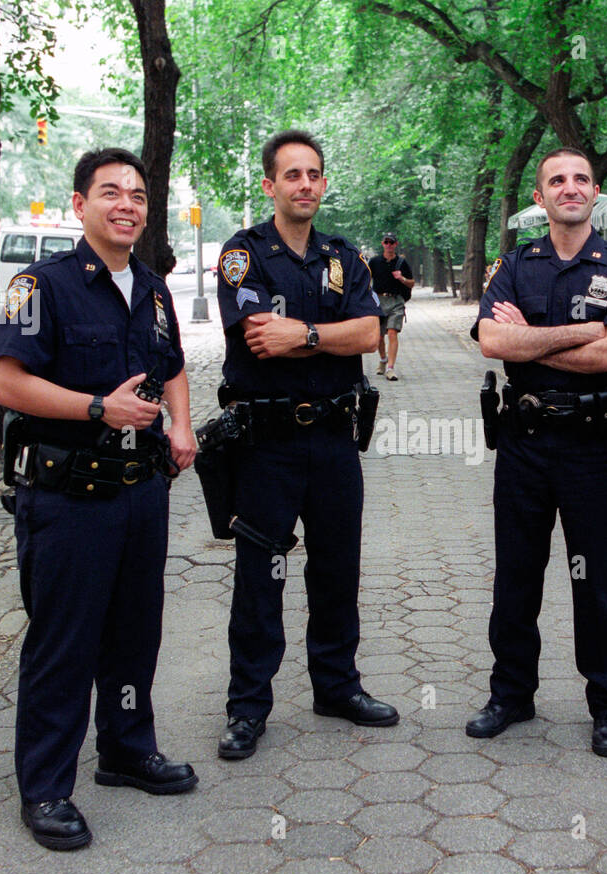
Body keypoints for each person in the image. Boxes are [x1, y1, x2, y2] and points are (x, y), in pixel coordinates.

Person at [0, 147, 200, 851]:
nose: (127, 205)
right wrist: (94, 409)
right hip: (67, 497)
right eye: (111, 192)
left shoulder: (153, 287)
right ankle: (46, 787)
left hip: (141, 492)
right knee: (64, 643)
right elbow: (7, 384)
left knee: (136, 634)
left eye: (138, 195)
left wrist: (181, 424)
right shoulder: (40, 285)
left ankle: (126, 749)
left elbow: (169, 367)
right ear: (79, 204)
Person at [213, 130, 399, 760]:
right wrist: (325, 333)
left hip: (335, 440)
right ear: (270, 185)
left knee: (337, 567)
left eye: (314, 174)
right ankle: (247, 707)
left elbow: (371, 333)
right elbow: (261, 336)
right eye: (292, 175)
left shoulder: (345, 256)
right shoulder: (243, 254)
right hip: (266, 445)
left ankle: (337, 686)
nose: (305, 185)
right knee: (261, 577)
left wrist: (309, 335)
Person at [468, 147, 607, 758]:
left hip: (596, 449)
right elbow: (493, 341)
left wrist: (531, 341)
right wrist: (585, 331)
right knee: (516, 576)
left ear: (594, 191)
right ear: (539, 197)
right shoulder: (516, 264)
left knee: (598, 579)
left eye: (579, 179)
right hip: (524, 444)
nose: (569, 188)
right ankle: (511, 694)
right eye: (556, 181)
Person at [370, 232, 414, 380]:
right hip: (379, 302)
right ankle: (383, 359)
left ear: (396, 244)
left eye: (392, 242)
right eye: (386, 242)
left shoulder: (401, 263)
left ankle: (390, 367)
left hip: (396, 301)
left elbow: (411, 282)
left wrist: (401, 278)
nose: (389, 245)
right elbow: (365, 279)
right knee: (379, 336)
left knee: (392, 333)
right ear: (382, 244)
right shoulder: (374, 262)